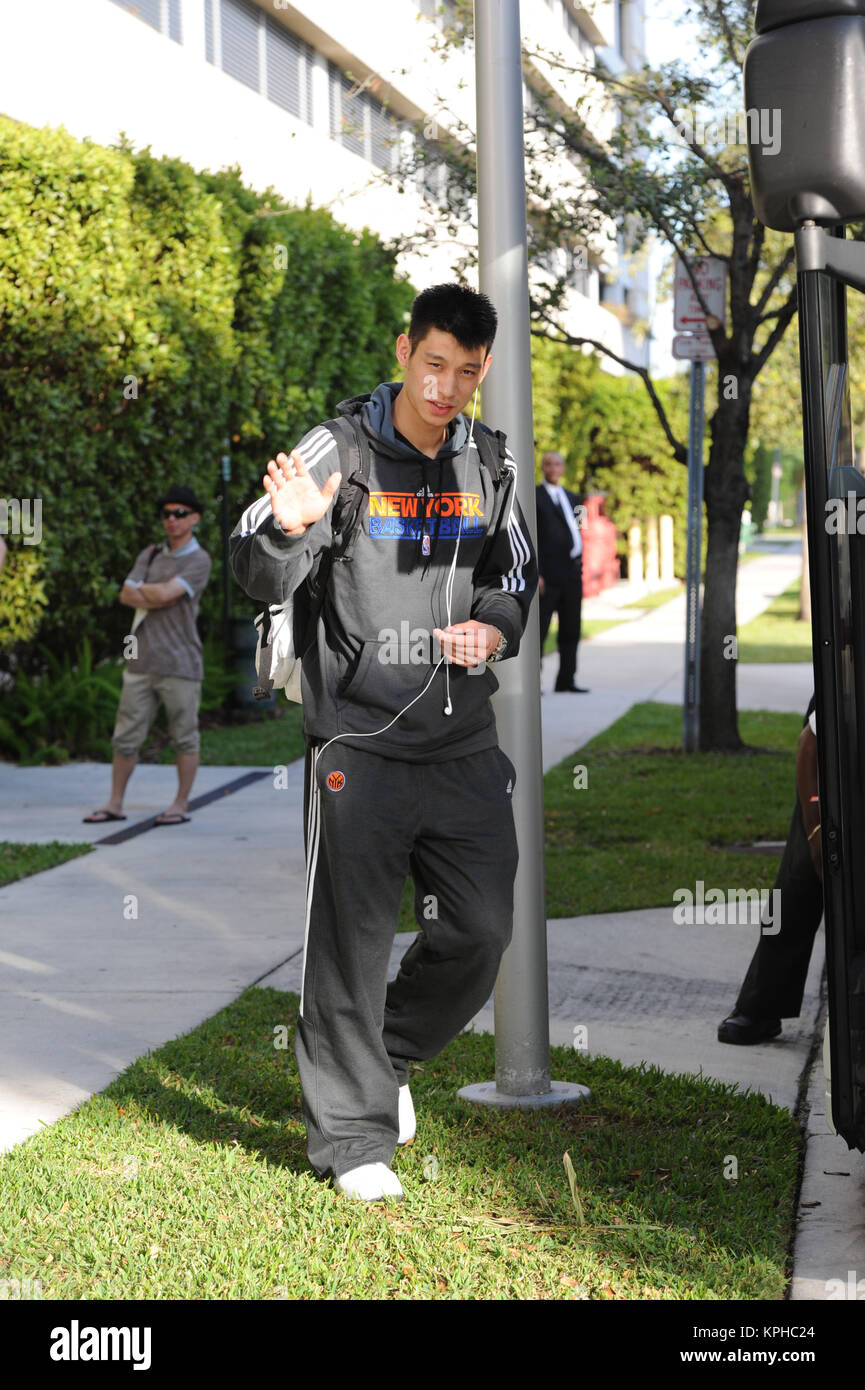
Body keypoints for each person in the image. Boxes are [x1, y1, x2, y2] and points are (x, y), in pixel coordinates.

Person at [230, 283, 537, 1202]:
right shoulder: (340, 450)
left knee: (483, 931)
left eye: (466, 373)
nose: (446, 388)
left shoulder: (487, 460)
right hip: (355, 747)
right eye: (434, 364)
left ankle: (387, 1057)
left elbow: (512, 571)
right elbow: (254, 562)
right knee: (349, 947)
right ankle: (354, 1141)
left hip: (462, 745)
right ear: (406, 350)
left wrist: (495, 626)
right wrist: (287, 528)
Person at [84, 486, 212, 828]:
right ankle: (114, 803)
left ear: (195, 518)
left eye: (180, 514)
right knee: (125, 737)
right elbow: (127, 594)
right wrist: (155, 594)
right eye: (167, 514)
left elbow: (168, 593)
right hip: (140, 661)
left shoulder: (199, 560)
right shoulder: (152, 554)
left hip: (181, 663)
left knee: (184, 736)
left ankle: (180, 804)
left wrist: (148, 592)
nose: (172, 520)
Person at [718, 694, 822, 1044]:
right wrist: (815, 830)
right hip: (831, 776)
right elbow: (810, 743)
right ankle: (761, 1006)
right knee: (800, 879)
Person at [535, 450, 588, 692]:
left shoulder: (573, 497)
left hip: (572, 573)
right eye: (548, 464)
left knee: (571, 628)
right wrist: (537, 573)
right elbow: (532, 538)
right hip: (548, 574)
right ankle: (534, 683)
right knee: (541, 629)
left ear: (563, 467)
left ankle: (566, 679)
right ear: (543, 468)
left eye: (557, 464)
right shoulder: (534, 496)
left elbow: (578, 530)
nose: (553, 468)